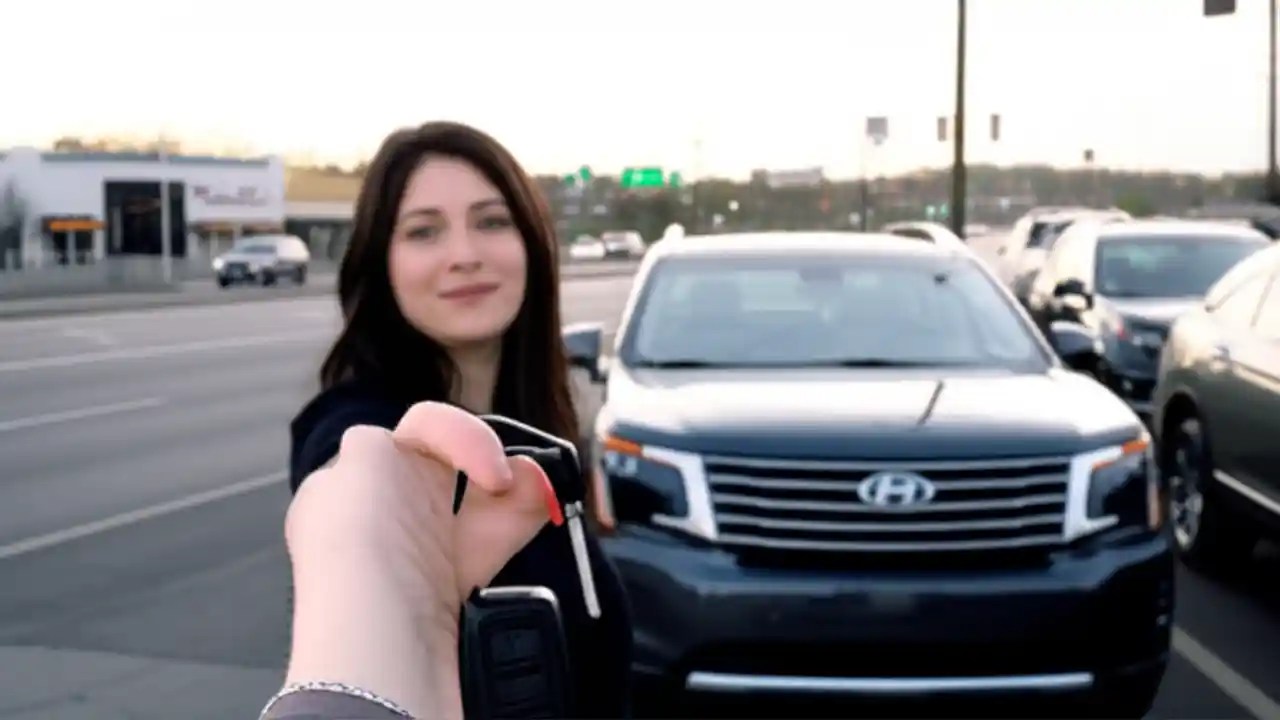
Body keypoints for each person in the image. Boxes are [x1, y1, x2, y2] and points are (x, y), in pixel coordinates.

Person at [269, 121, 633, 717]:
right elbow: (352, 506)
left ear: (532, 244)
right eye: (423, 231)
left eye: (491, 221)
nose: (464, 255)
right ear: (379, 265)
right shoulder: (364, 432)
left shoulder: (546, 433)